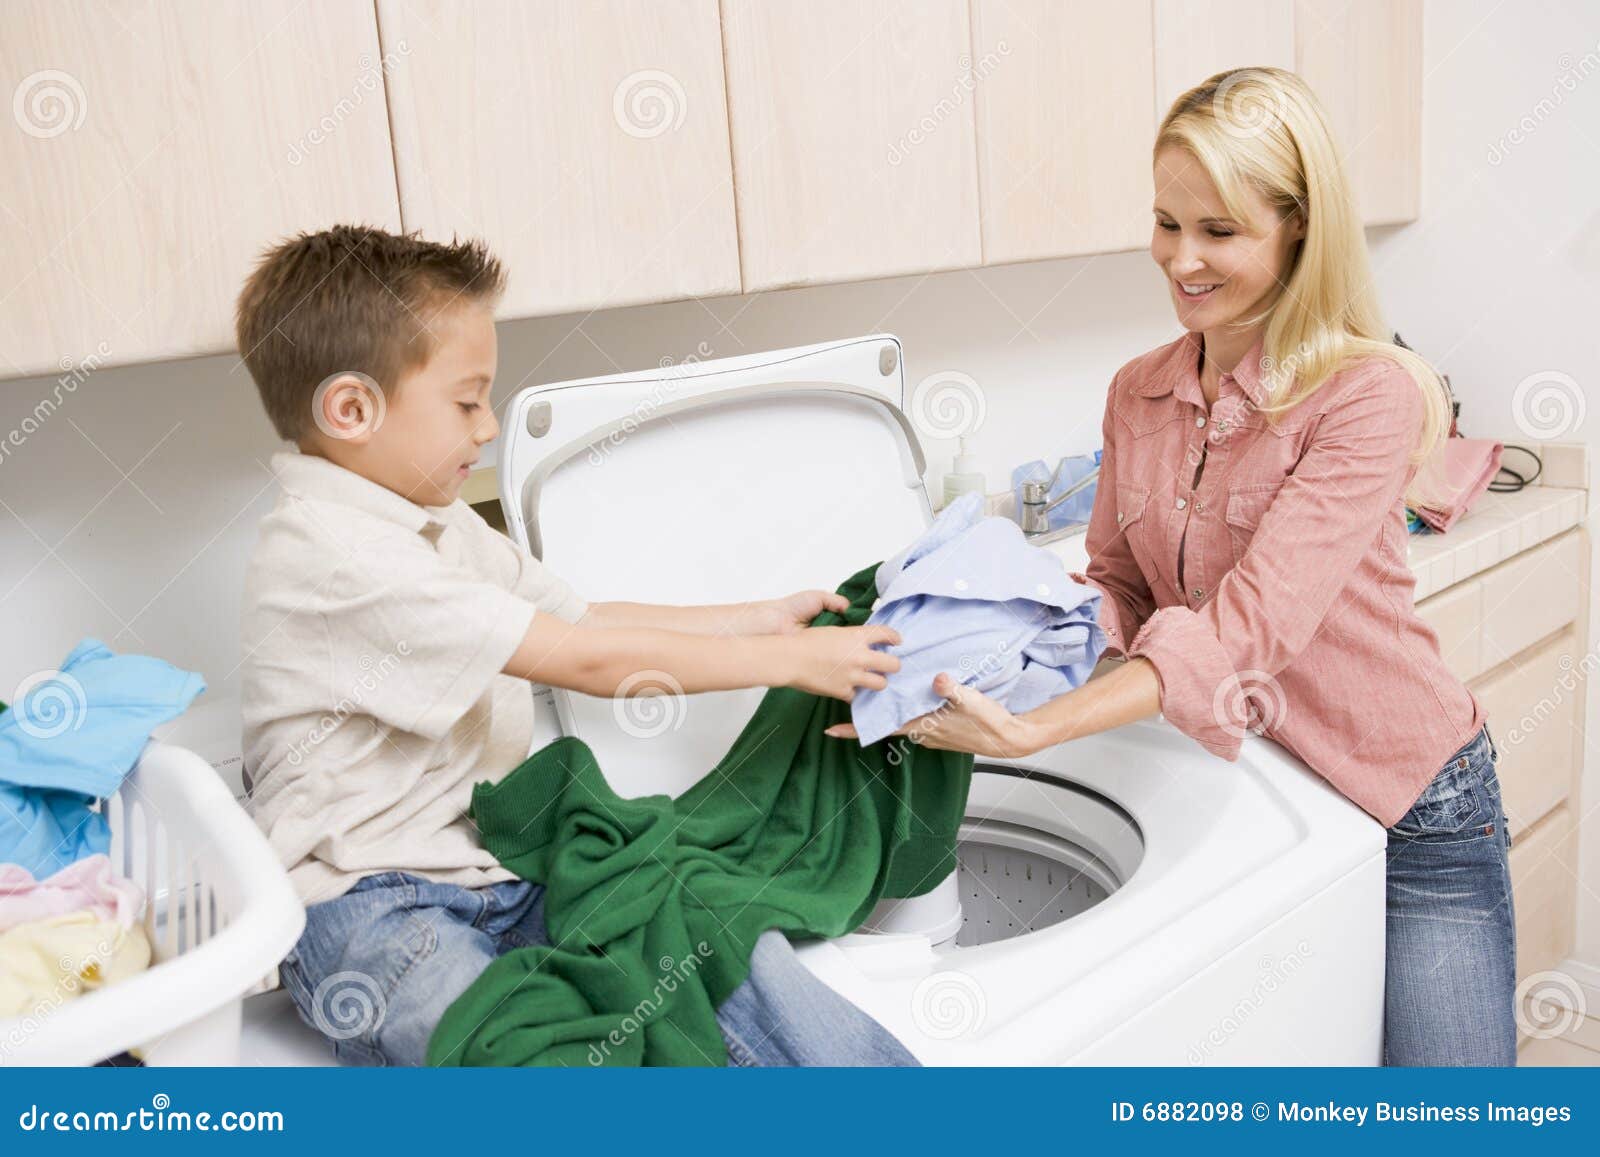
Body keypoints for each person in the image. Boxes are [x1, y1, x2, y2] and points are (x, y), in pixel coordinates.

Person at [828, 68, 1514, 1067]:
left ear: (1297, 229)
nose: (1180, 258)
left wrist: (1038, 727)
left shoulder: (1366, 394)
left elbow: (1247, 627)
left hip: (1407, 803)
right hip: (1266, 790)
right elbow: (1118, 580)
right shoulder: (1137, 391)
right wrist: (984, 638)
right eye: (1165, 221)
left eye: (1219, 231)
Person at [235, 225, 916, 1066]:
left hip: (492, 867)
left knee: (703, 928)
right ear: (351, 409)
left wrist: (754, 619)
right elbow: (583, 664)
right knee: (520, 1052)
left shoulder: (429, 520)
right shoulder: (338, 555)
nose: (487, 426)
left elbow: (582, 619)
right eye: (466, 400)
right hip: (367, 910)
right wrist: (795, 663)